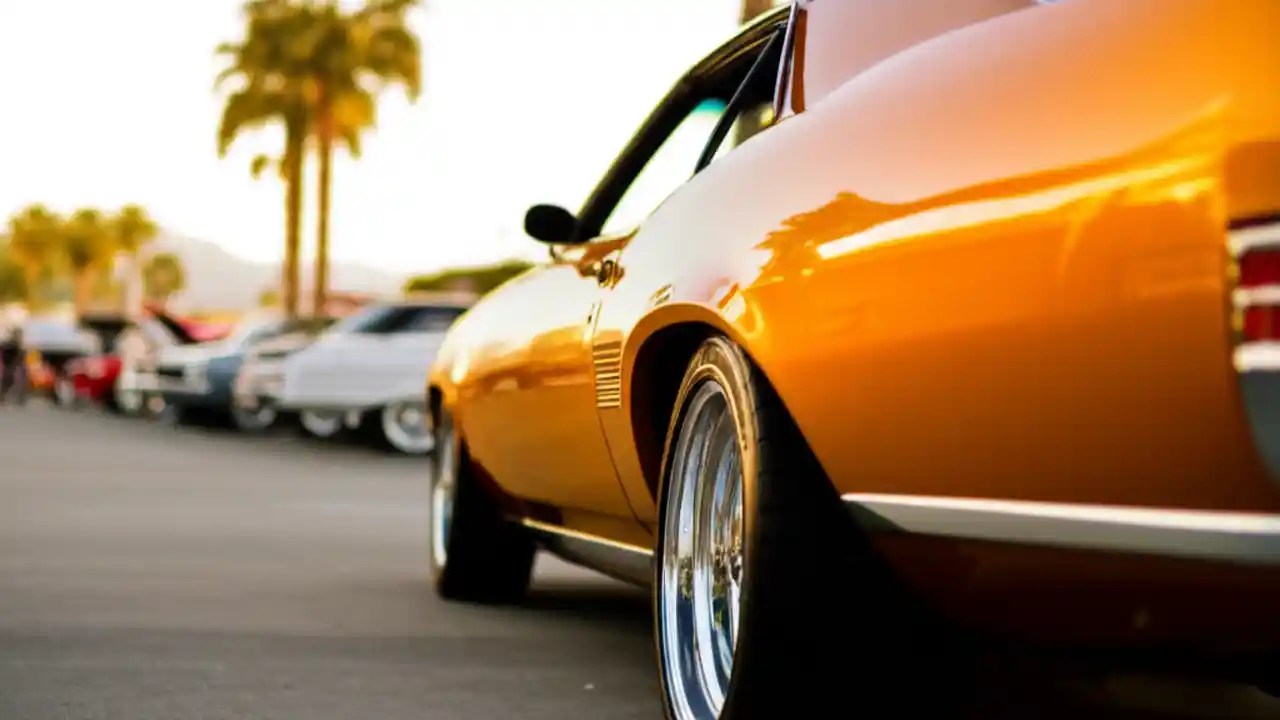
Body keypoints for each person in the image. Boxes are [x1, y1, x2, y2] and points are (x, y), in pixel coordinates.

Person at [0, 325, 26, 405]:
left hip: (10, 367)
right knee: (7, 382)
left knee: (8, 382)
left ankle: (4, 397)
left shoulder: (13, 346)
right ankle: (3, 397)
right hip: (9, 367)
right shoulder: (12, 345)